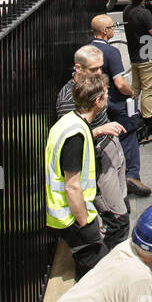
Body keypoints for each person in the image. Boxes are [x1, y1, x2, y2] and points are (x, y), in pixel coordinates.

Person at [56, 45, 131, 249]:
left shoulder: (93, 86)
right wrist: (99, 131)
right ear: (78, 68)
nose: (99, 73)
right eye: (94, 69)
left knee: (122, 206)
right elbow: (72, 137)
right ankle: (107, 263)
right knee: (118, 220)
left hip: (111, 151)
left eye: (101, 68)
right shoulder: (68, 100)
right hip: (98, 162)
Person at [45, 72, 110, 278]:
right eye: (106, 94)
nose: (108, 97)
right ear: (97, 101)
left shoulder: (70, 123)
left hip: (72, 215)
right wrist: (86, 223)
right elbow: (71, 185)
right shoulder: (75, 135)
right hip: (72, 219)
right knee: (99, 275)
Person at [89, 15, 150, 197]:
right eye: (111, 26)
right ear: (105, 31)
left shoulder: (86, 49)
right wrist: (131, 93)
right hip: (115, 102)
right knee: (129, 132)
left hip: (96, 104)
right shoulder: (111, 52)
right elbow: (120, 82)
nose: (114, 29)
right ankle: (131, 175)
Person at [122, 0, 152, 138]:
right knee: (148, 90)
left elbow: (140, 24)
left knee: (135, 89)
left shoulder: (127, 10)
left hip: (135, 57)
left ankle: (132, 116)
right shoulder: (144, 13)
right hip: (147, 58)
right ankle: (148, 122)